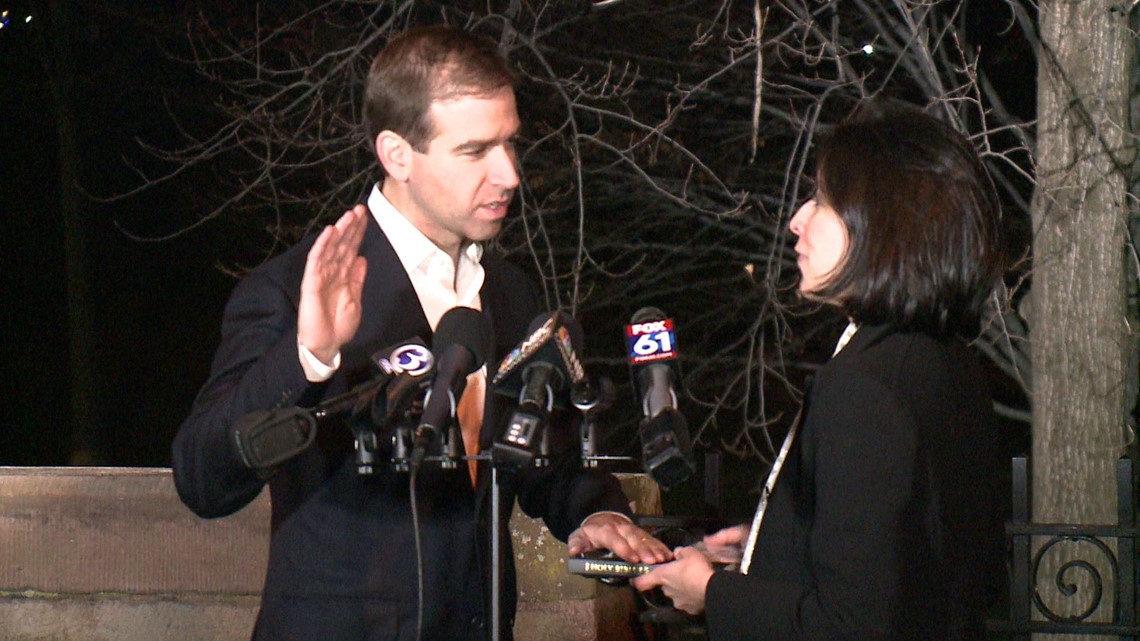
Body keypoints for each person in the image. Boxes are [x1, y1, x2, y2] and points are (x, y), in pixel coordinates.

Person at [172, 24, 669, 641]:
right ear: (397, 154)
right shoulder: (293, 290)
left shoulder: (510, 293)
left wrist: (594, 510)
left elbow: (546, 460)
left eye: (510, 144)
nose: (509, 175)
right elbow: (202, 480)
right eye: (475, 151)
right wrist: (307, 357)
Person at [633, 99, 1007, 640]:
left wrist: (711, 593)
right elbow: (915, 564)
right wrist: (767, 543)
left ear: (882, 228)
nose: (797, 221)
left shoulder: (864, 387)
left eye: (822, 201)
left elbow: (851, 625)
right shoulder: (943, 362)